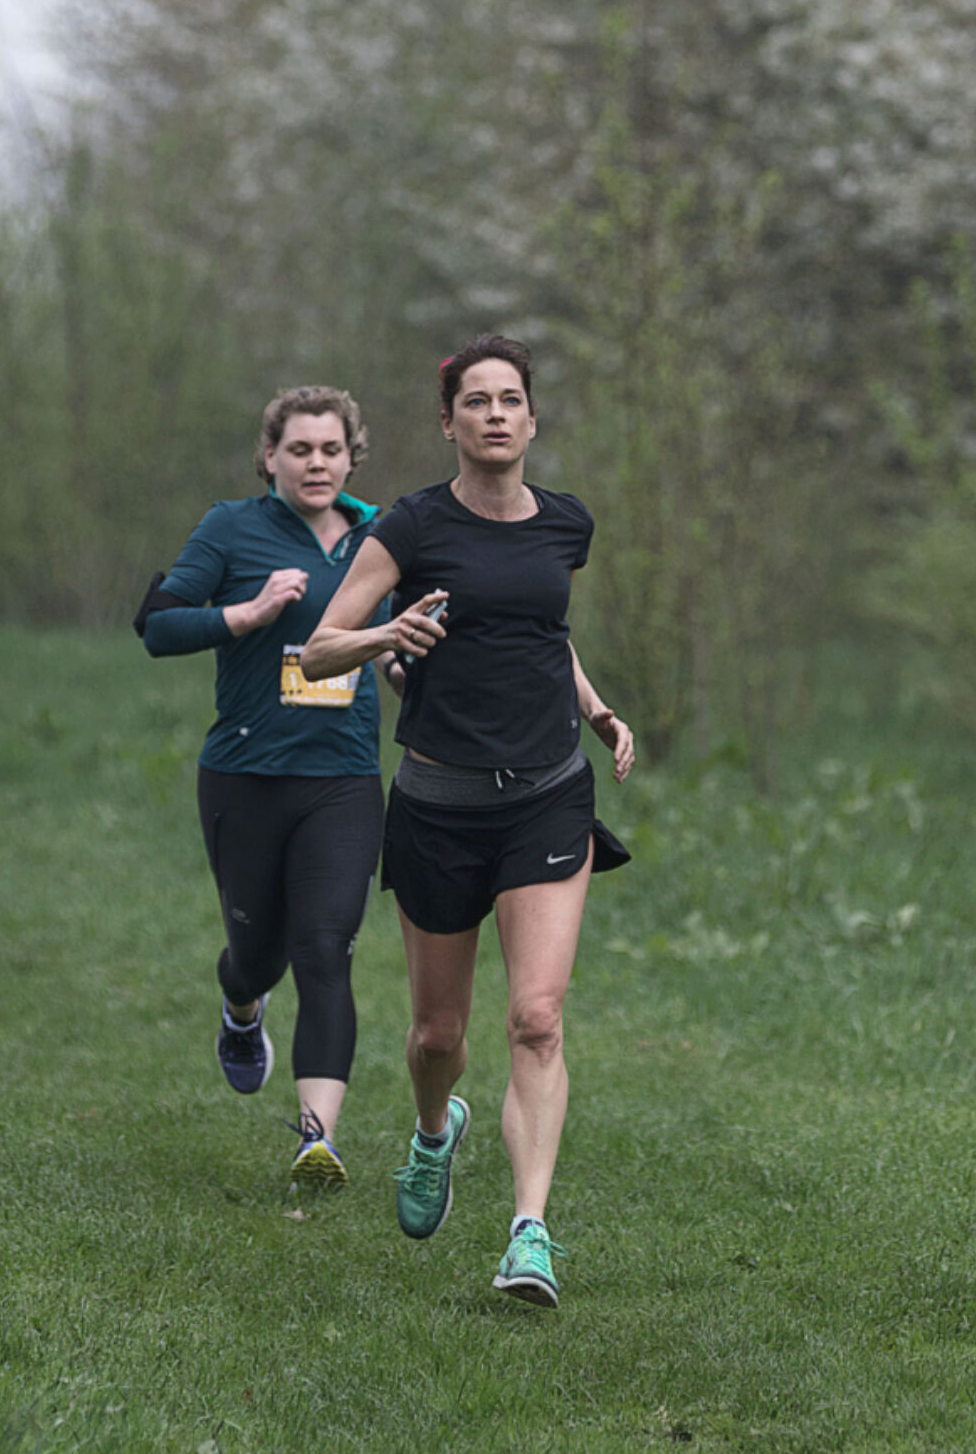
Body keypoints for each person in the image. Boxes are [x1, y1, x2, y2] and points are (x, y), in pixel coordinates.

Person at [296, 333, 635, 1309]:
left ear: (532, 419)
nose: (495, 413)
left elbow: (542, 636)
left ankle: (530, 1234)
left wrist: (596, 706)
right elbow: (319, 653)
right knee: (437, 1032)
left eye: (510, 399)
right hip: (439, 806)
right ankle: (433, 1133)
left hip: (547, 795)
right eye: (475, 401)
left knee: (536, 1017)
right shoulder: (409, 528)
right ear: (448, 423)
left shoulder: (565, 526)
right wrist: (386, 632)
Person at [137, 386, 388, 1188]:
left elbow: (409, 629)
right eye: (300, 450)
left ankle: (318, 1138)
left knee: (325, 948)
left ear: (352, 455)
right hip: (244, 778)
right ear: (269, 457)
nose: (317, 463)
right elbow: (158, 626)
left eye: (331, 450)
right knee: (258, 955)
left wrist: (404, 656)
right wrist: (244, 615)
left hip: (343, 779)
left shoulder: (382, 536)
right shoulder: (231, 528)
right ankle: (241, 1009)